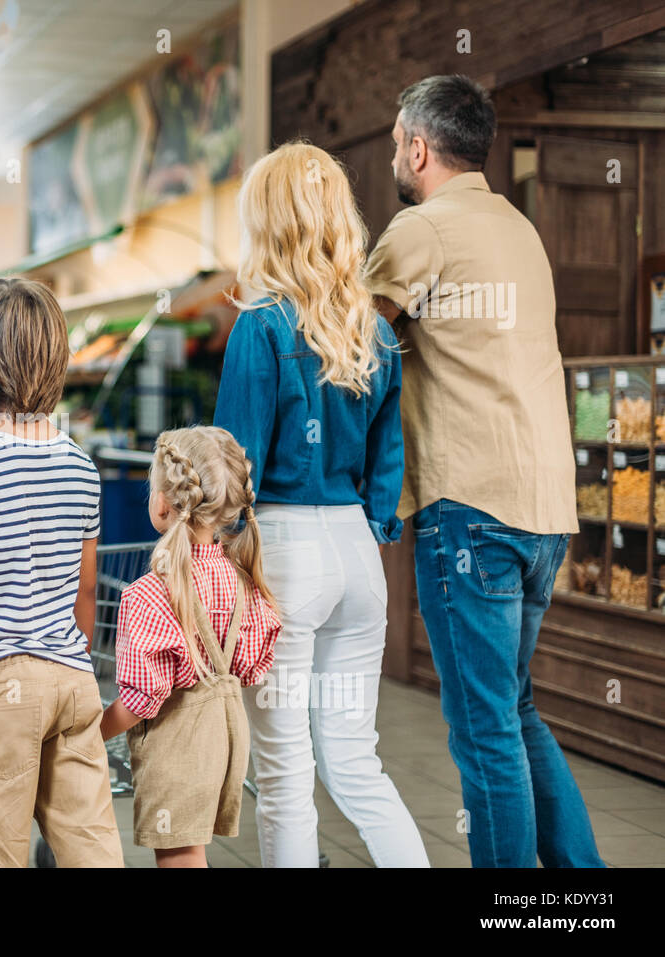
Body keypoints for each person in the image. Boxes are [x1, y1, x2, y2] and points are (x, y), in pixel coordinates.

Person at [365, 75, 602, 868]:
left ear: (419, 148)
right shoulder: (519, 229)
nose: (394, 156)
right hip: (545, 513)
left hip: (471, 511)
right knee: (513, 709)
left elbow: (350, 346)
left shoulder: (421, 229)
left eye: (395, 143)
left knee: (484, 726)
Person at [215, 142, 429, 867]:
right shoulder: (376, 332)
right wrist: (371, 524)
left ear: (267, 223)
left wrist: (219, 554)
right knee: (354, 759)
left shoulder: (261, 327)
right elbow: (387, 463)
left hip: (284, 556)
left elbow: (233, 471)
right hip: (358, 558)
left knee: (284, 775)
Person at [0, 277, 124, 868]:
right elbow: (86, 588)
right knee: (92, 848)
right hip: (72, 681)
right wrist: (73, 656)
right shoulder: (81, 468)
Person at [99, 426, 281, 868]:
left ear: (162, 503)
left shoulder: (151, 593)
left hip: (178, 750)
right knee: (192, 851)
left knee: (180, 856)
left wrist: (89, 735)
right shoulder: (242, 581)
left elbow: (142, 700)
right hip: (226, 742)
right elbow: (251, 668)